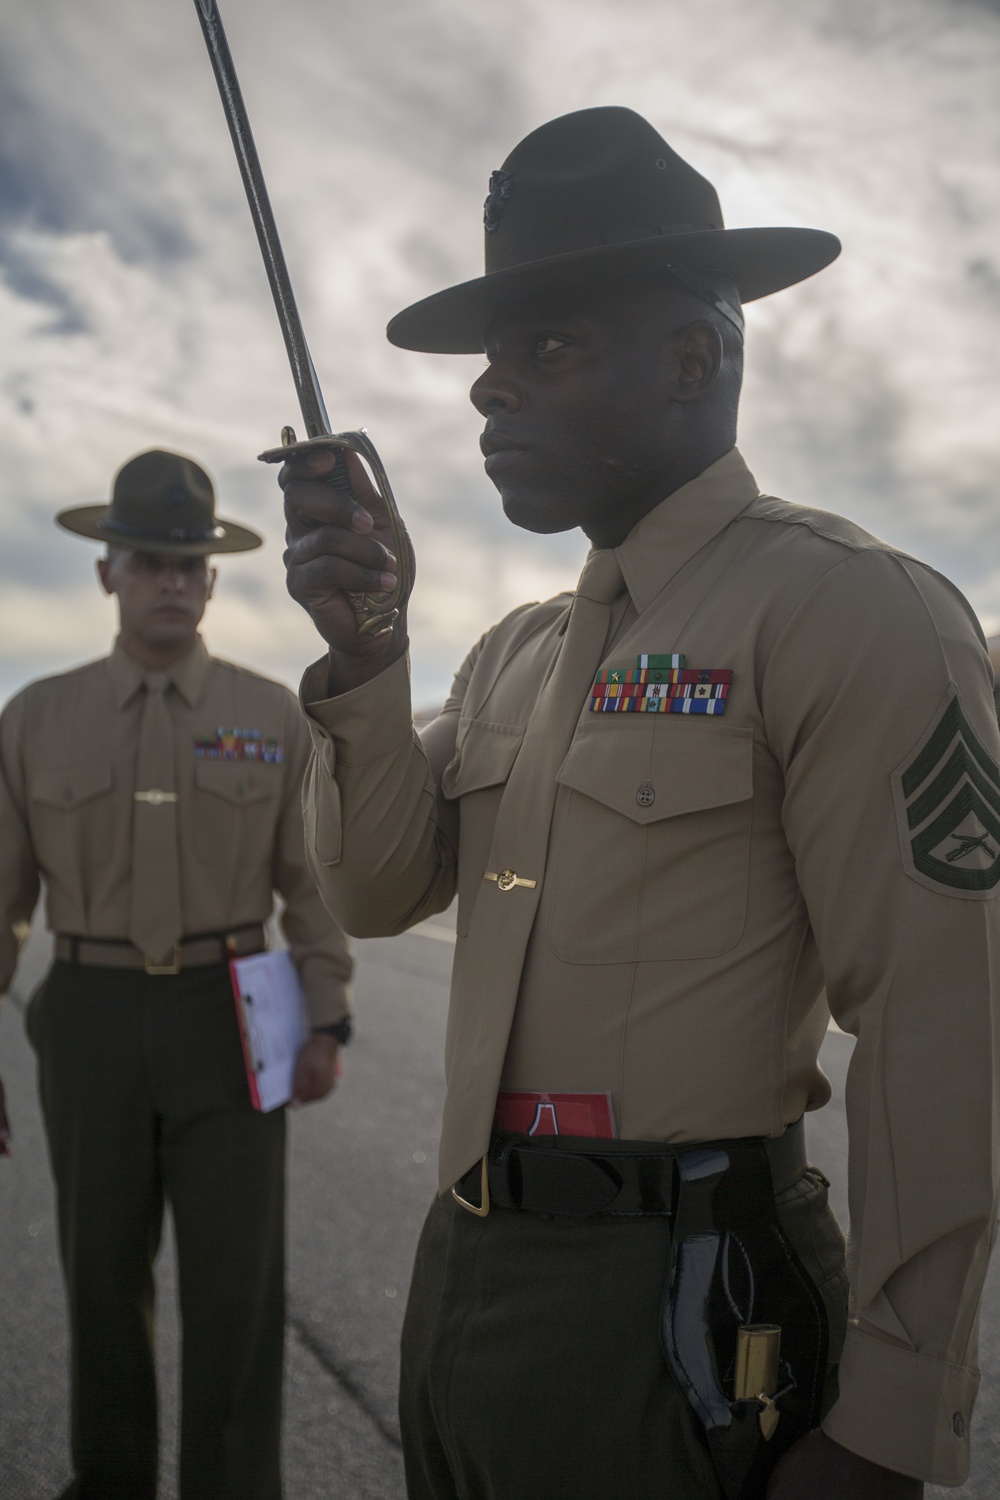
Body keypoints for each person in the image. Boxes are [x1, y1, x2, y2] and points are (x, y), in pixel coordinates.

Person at [280, 108, 999, 1499]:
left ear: (694, 358)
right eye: (493, 363)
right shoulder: (519, 653)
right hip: (470, 1270)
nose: (491, 393)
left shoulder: (850, 611)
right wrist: (369, 654)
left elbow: (942, 1018)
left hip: (686, 1295)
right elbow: (374, 893)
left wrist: (895, 1420)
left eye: (546, 348)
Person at [0, 448, 354, 1500]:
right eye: (147, 559)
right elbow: (5, 898)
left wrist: (325, 1016)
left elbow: (312, 884)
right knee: (100, 1278)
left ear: (212, 579)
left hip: (235, 1010)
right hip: (91, 1015)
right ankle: (108, 1481)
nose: (168, 580)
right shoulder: (33, 719)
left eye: (187, 563)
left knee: (237, 1289)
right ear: (108, 571)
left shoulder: (272, 715)